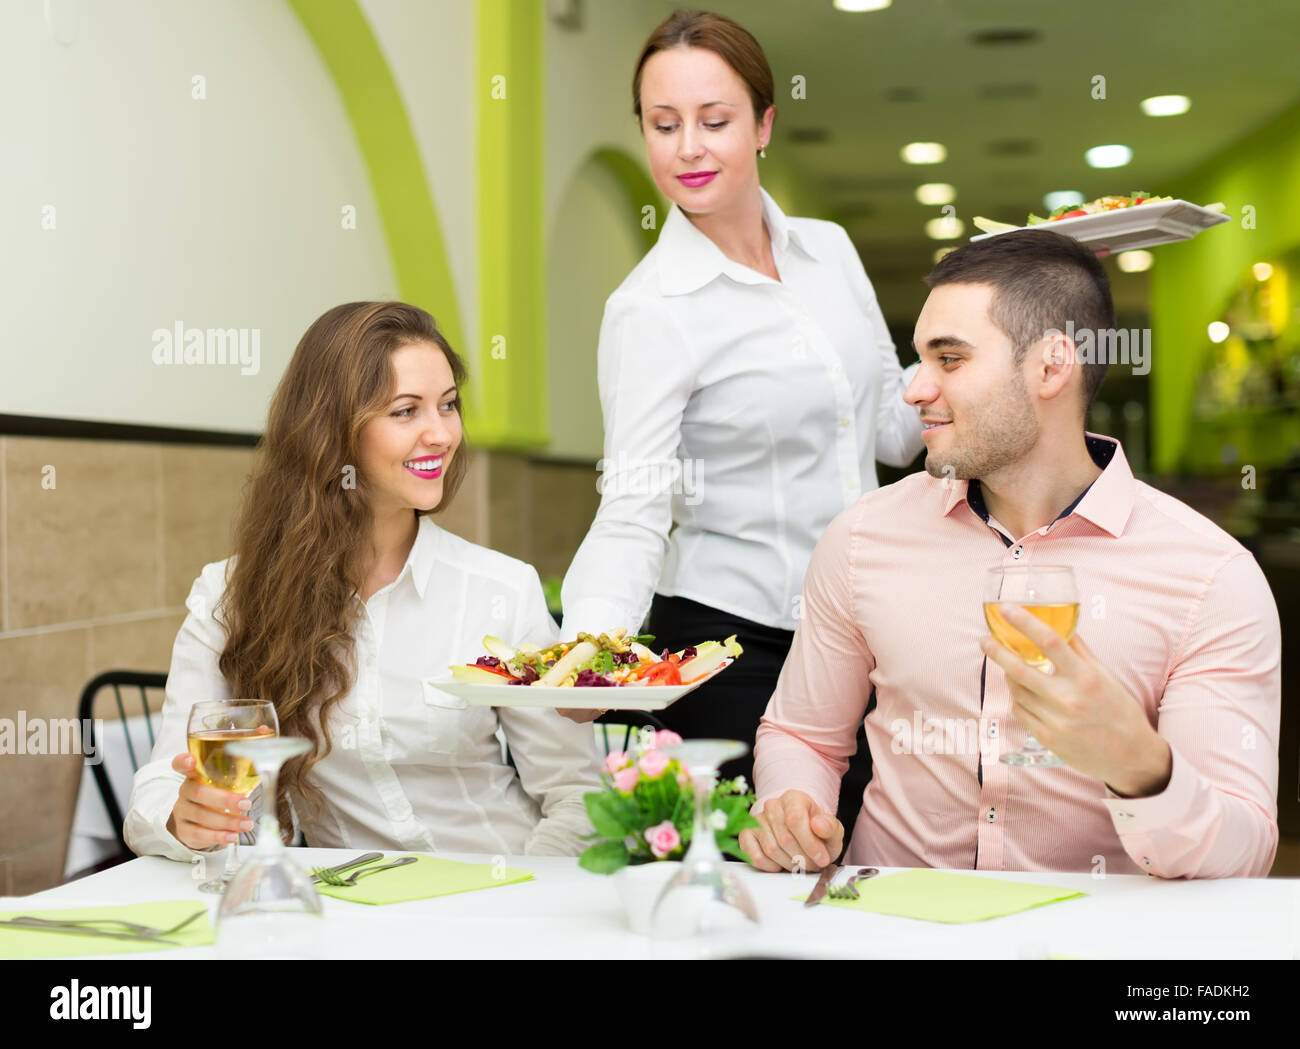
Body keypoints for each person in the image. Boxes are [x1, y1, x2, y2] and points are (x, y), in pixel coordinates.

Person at [742, 229, 1281, 879]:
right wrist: (791, 804)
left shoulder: (1211, 577)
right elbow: (801, 735)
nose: (915, 390)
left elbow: (1244, 850)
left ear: (1052, 366)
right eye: (920, 360)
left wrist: (1140, 765)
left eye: (950, 359)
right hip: (885, 933)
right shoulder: (861, 538)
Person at [558, 9, 923, 799]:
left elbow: (894, 429)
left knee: (866, 873)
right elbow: (633, 508)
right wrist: (591, 651)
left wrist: (1000, 337)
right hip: (729, 645)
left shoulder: (829, 249)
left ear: (763, 124)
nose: (688, 147)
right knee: (756, 887)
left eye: (714, 120)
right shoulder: (650, 308)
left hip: (865, 636)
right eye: (664, 124)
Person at [126, 302, 601, 862]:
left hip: (500, 895)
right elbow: (158, 790)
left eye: (448, 406)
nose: (442, 434)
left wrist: (515, 902)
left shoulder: (500, 590)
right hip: (349, 912)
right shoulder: (230, 596)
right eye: (406, 412)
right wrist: (186, 821)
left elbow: (577, 797)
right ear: (331, 433)